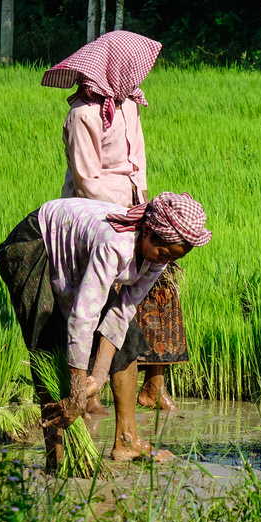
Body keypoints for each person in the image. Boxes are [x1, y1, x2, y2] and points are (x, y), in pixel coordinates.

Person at [0, 192, 212, 470]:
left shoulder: (158, 255)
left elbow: (121, 312)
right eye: (163, 252)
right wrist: (76, 393)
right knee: (48, 343)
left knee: (129, 339)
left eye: (172, 257)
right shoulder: (115, 245)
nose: (163, 260)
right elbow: (84, 316)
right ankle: (56, 457)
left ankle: (127, 440)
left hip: (77, 250)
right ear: (147, 231)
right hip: (38, 240)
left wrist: (98, 376)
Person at [42, 31, 181, 414]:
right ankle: (89, 392)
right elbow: (87, 181)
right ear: (114, 67)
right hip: (99, 216)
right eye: (133, 69)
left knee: (152, 293)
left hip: (139, 217)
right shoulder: (83, 115)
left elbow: (139, 165)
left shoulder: (128, 104)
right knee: (93, 302)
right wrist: (128, 217)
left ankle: (153, 384)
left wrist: (149, 213)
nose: (138, 77)